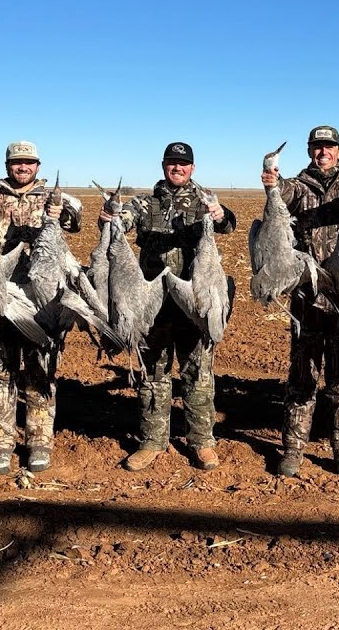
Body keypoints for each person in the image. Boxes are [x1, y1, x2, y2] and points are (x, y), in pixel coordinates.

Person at [103, 142, 237, 472]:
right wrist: (112, 217)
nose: (177, 168)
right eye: (171, 163)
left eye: (183, 164)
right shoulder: (144, 203)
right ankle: (151, 441)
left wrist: (220, 214)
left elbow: (228, 224)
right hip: (152, 304)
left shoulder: (204, 199)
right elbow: (122, 222)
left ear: (192, 167)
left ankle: (202, 442)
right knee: (153, 375)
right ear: (163, 166)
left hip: (194, 303)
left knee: (197, 375)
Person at [259, 125, 339, 477]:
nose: (323, 152)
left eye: (329, 147)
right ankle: (293, 449)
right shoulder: (300, 184)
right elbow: (281, 194)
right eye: (317, 147)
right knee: (302, 376)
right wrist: (271, 183)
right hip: (307, 296)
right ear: (310, 151)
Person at [0, 140, 80, 475]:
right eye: (16, 163)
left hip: (40, 300)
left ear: (37, 165)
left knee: (40, 370)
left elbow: (75, 221)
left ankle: (39, 441)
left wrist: (60, 211)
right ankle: (1, 442)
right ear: (7, 165)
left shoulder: (52, 197)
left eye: (28, 162)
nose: (22, 167)